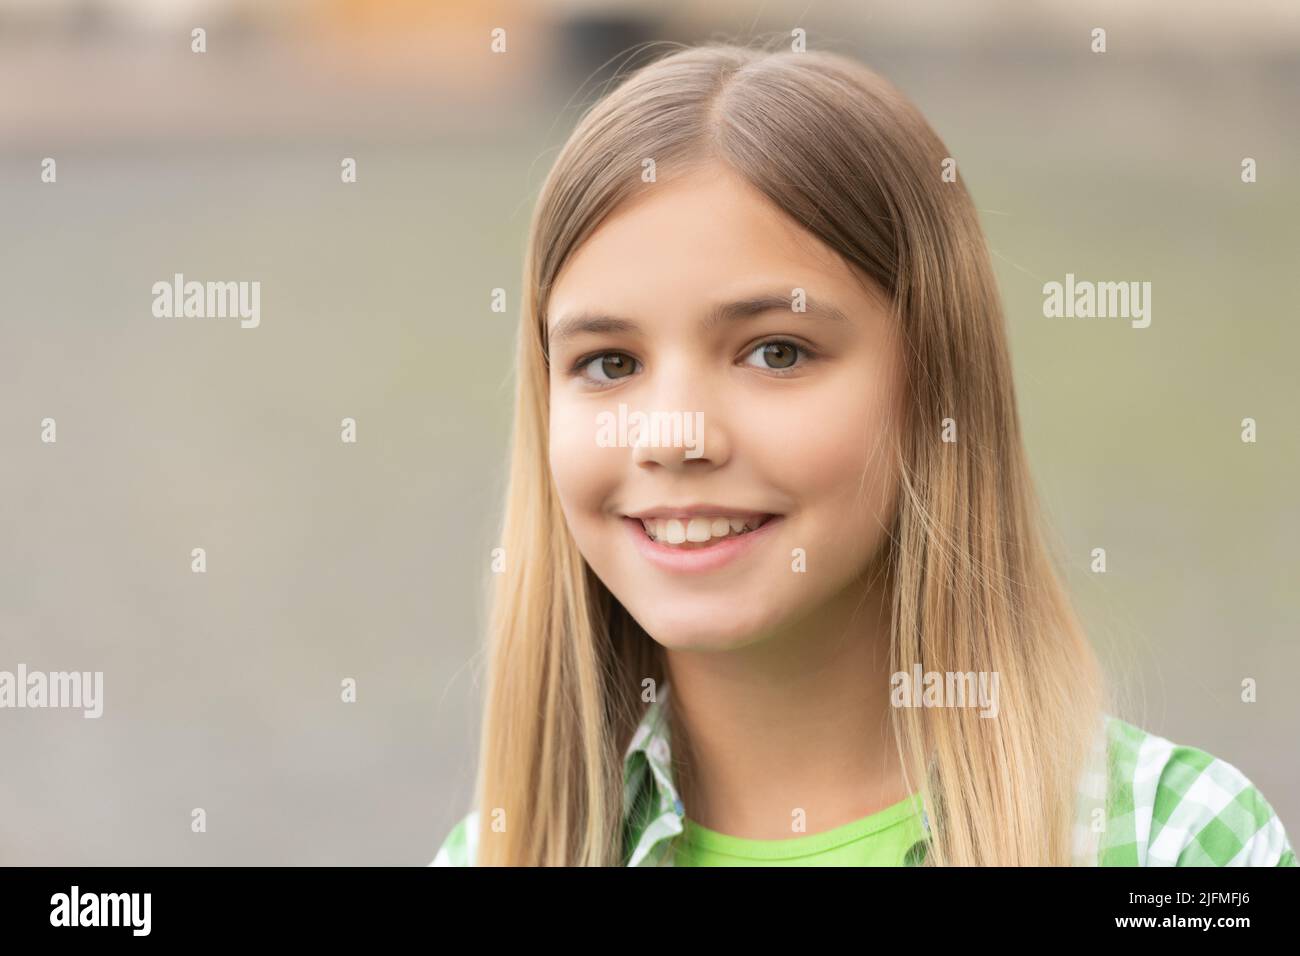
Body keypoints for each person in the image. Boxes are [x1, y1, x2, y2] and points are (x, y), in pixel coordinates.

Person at [432, 40, 1294, 867]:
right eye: (609, 363)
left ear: (935, 385)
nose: (672, 436)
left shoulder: (1174, 846)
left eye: (775, 351)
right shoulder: (495, 856)